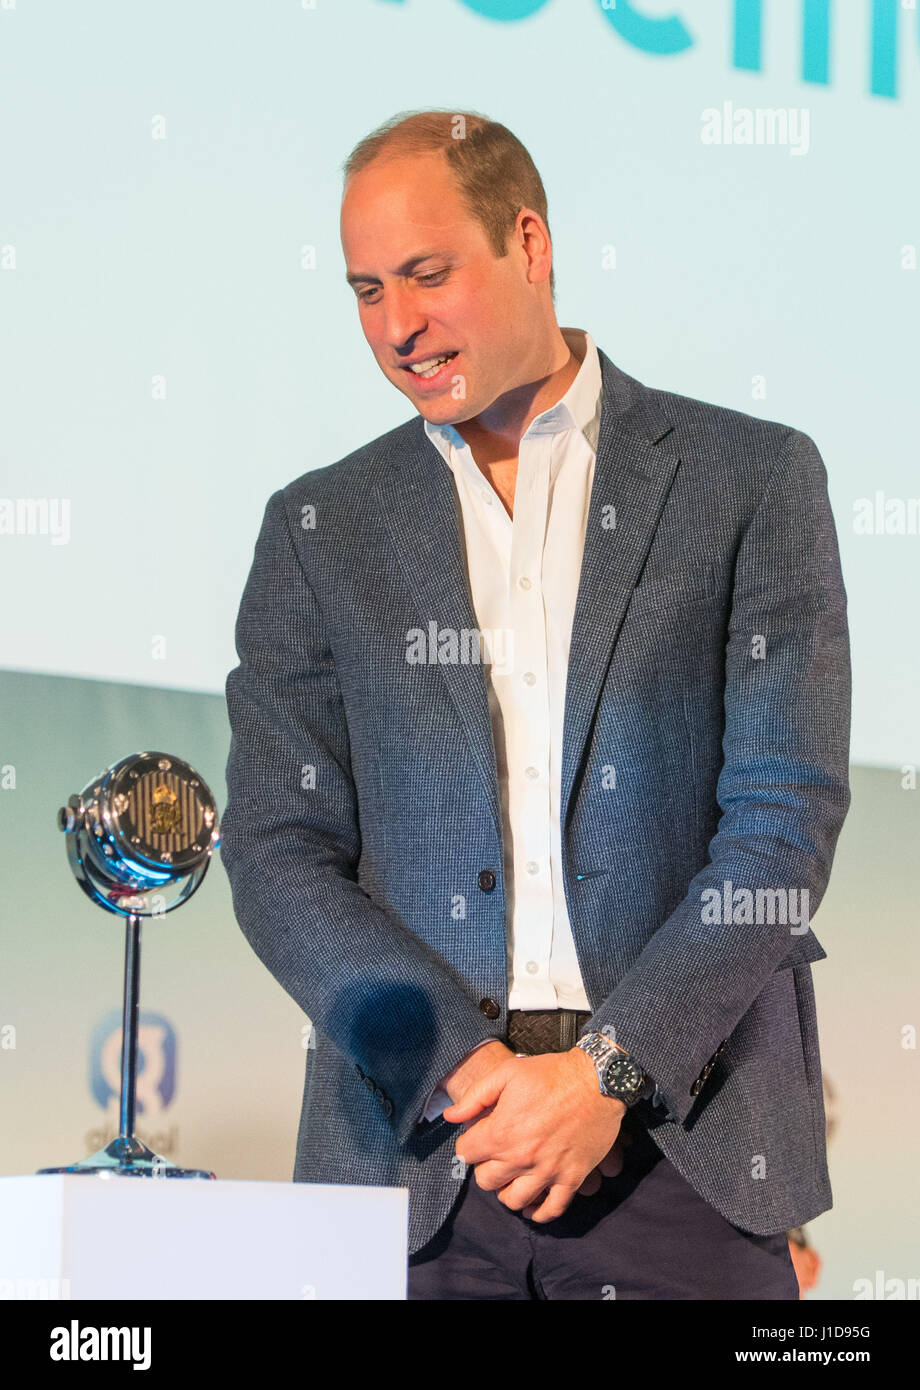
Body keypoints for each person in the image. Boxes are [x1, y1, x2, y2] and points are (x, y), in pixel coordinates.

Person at [221, 109, 851, 1300]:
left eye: (425, 274)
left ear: (528, 240)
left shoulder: (748, 479)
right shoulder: (320, 528)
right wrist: (473, 1077)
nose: (397, 327)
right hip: (418, 1156)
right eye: (365, 290)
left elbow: (782, 823)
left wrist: (602, 1074)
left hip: (687, 1143)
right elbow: (276, 849)